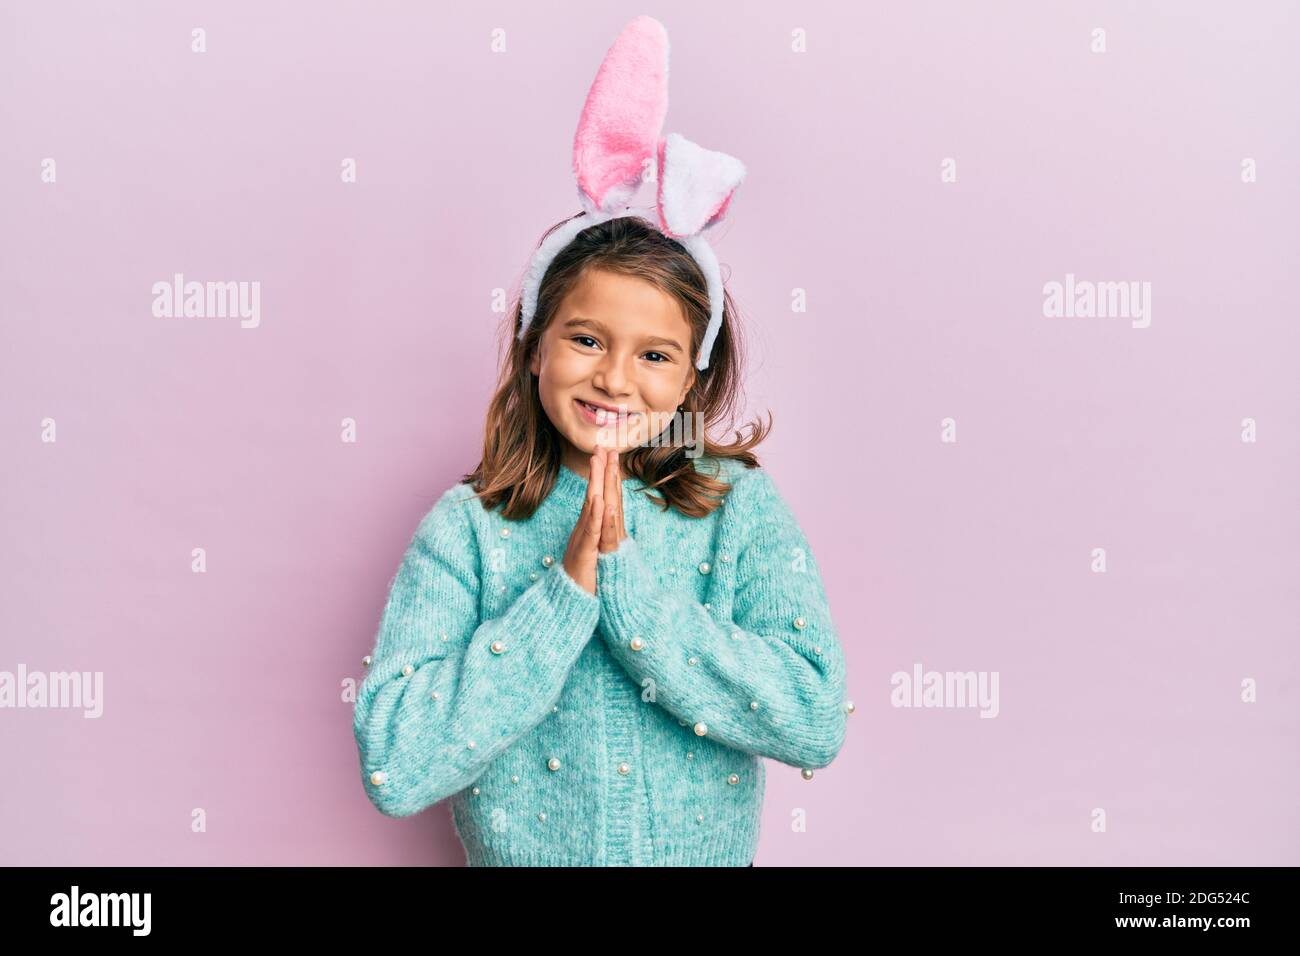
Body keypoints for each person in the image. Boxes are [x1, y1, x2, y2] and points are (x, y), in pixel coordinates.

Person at [351, 16, 850, 867]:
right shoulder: (466, 529)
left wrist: (634, 598)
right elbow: (396, 766)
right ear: (534, 343)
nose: (616, 379)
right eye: (586, 339)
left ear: (692, 378)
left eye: (654, 355)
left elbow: (813, 717)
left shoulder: (736, 509)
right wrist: (566, 591)